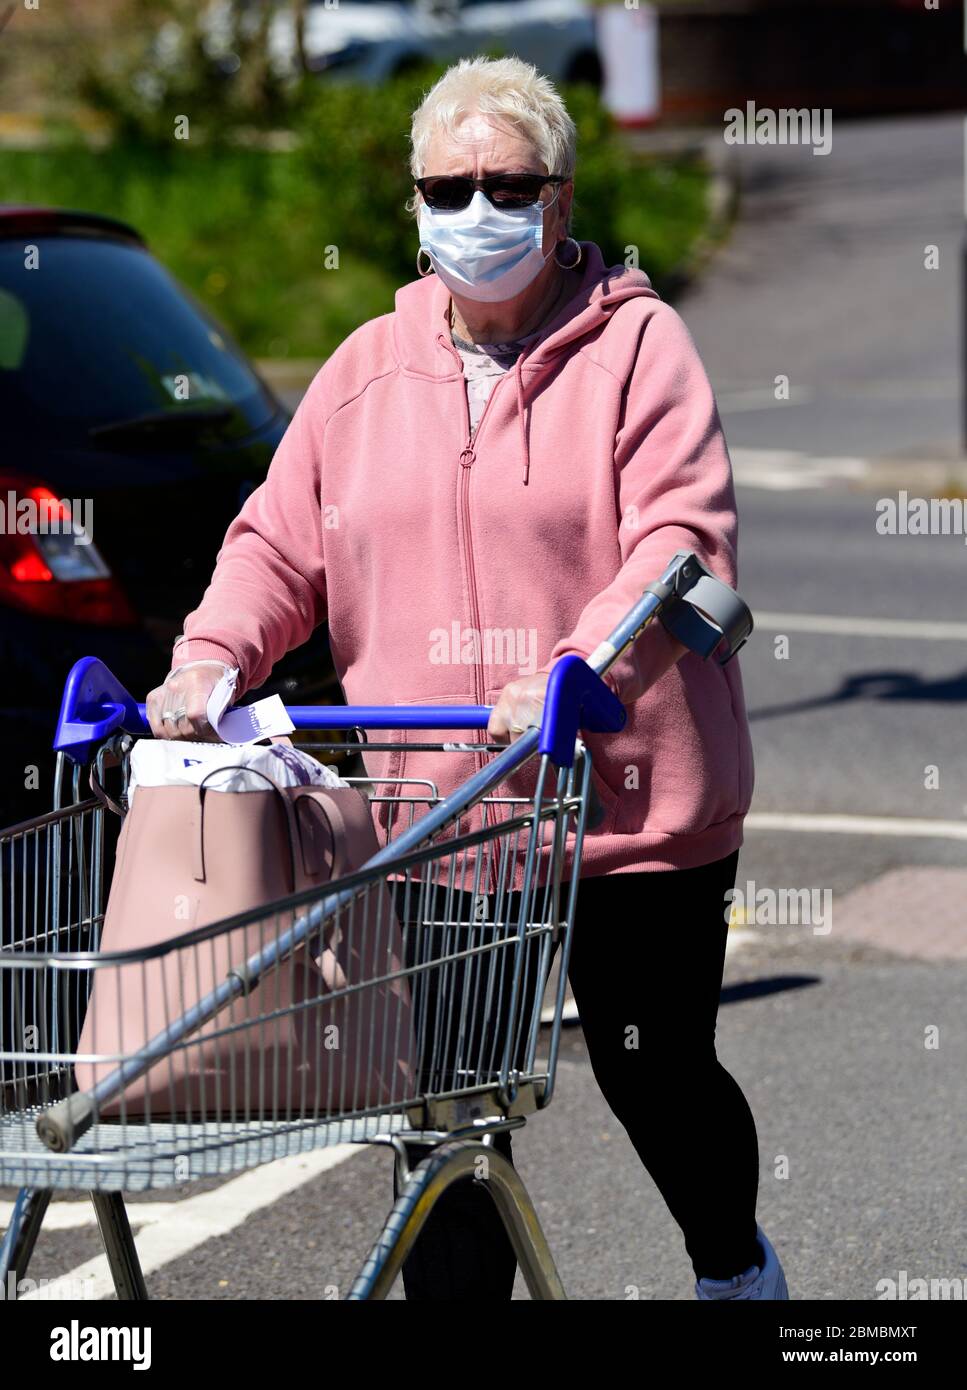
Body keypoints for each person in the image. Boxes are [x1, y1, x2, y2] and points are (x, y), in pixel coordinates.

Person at [146, 55, 788, 1301]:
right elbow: (278, 544)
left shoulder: (637, 344)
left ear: (557, 200)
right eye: (448, 184)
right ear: (414, 201)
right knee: (449, 1119)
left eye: (505, 182)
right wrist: (209, 657)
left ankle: (735, 1273)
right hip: (451, 813)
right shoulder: (363, 370)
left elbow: (679, 541)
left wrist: (569, 668)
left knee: (653, 1070)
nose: (474, 207)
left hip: (628, 802)